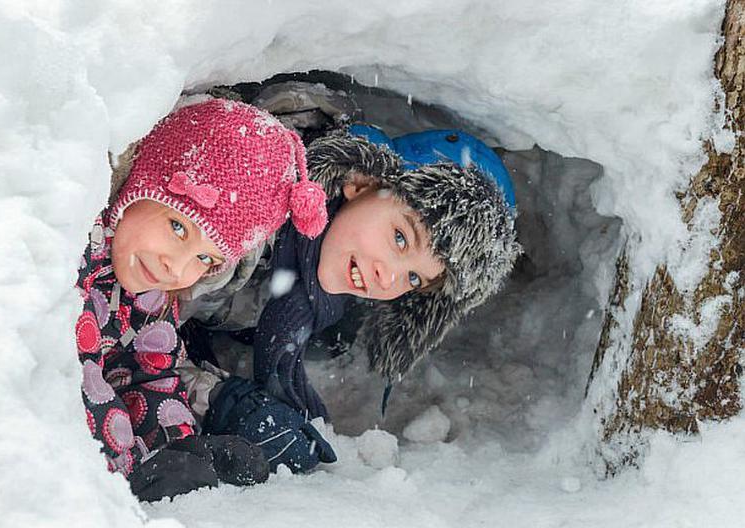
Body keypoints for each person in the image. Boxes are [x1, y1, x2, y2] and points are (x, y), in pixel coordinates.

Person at [182, 109, 522, 473]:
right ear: (360, 182)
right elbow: (132, 321)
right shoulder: (246, 217)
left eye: (413, 280)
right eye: (400, 238)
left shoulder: (326, 297)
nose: (388, 278)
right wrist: (218, 397)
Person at [74, 98, 328, 501]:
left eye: (205, 258)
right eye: (178, 226)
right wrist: (132, 467)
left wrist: (182, 448)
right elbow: (71, 387)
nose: (176, 267)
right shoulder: (72, 252)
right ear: (142, 182)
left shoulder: (151, 287)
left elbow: (149, 373)